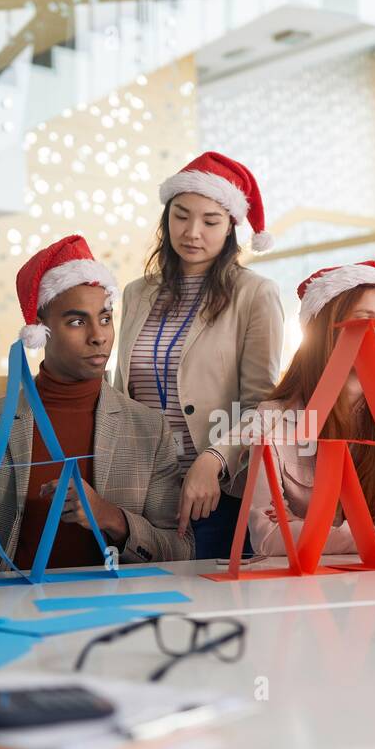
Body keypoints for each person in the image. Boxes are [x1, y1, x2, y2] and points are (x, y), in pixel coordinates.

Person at [0, 236, 191, 576]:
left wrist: (110, 516)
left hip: (116, 616)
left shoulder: (149, 430)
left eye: (105, 318)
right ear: (42, 330)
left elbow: (181, 553)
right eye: (77, 322)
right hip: (11, 617)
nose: (99, 335)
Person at [113, 151, 285, 558]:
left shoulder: (255, 294)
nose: (192, 232)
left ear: (230, 228)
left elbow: (265, 402)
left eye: (210, 221)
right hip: (141, 491)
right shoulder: (137, 293)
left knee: (208, 605)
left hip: (215, 492)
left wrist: (214, 459)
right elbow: (123, 390)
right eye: (181, 215)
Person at [245, 262, 375, 557]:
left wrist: (308, 529)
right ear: (326, 329)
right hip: (306, 592)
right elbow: (269, 536)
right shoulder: (272, 419)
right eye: (363, 319)